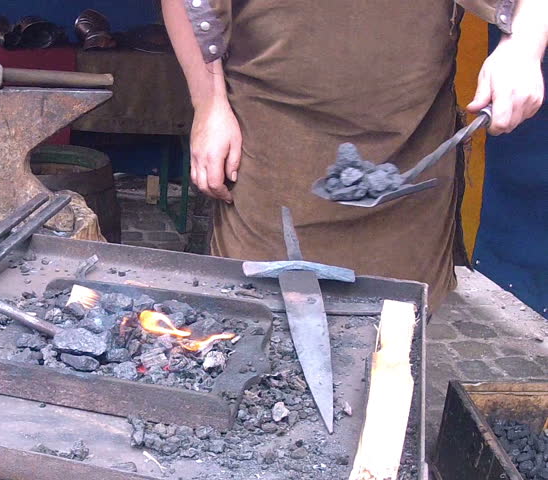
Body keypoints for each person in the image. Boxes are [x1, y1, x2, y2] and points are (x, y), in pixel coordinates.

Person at [163, 0, 547, 310]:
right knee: (263, 318)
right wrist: (209, 104)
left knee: (395, 333)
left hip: (411, 144)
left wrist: (522, 48)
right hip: (272, 146)